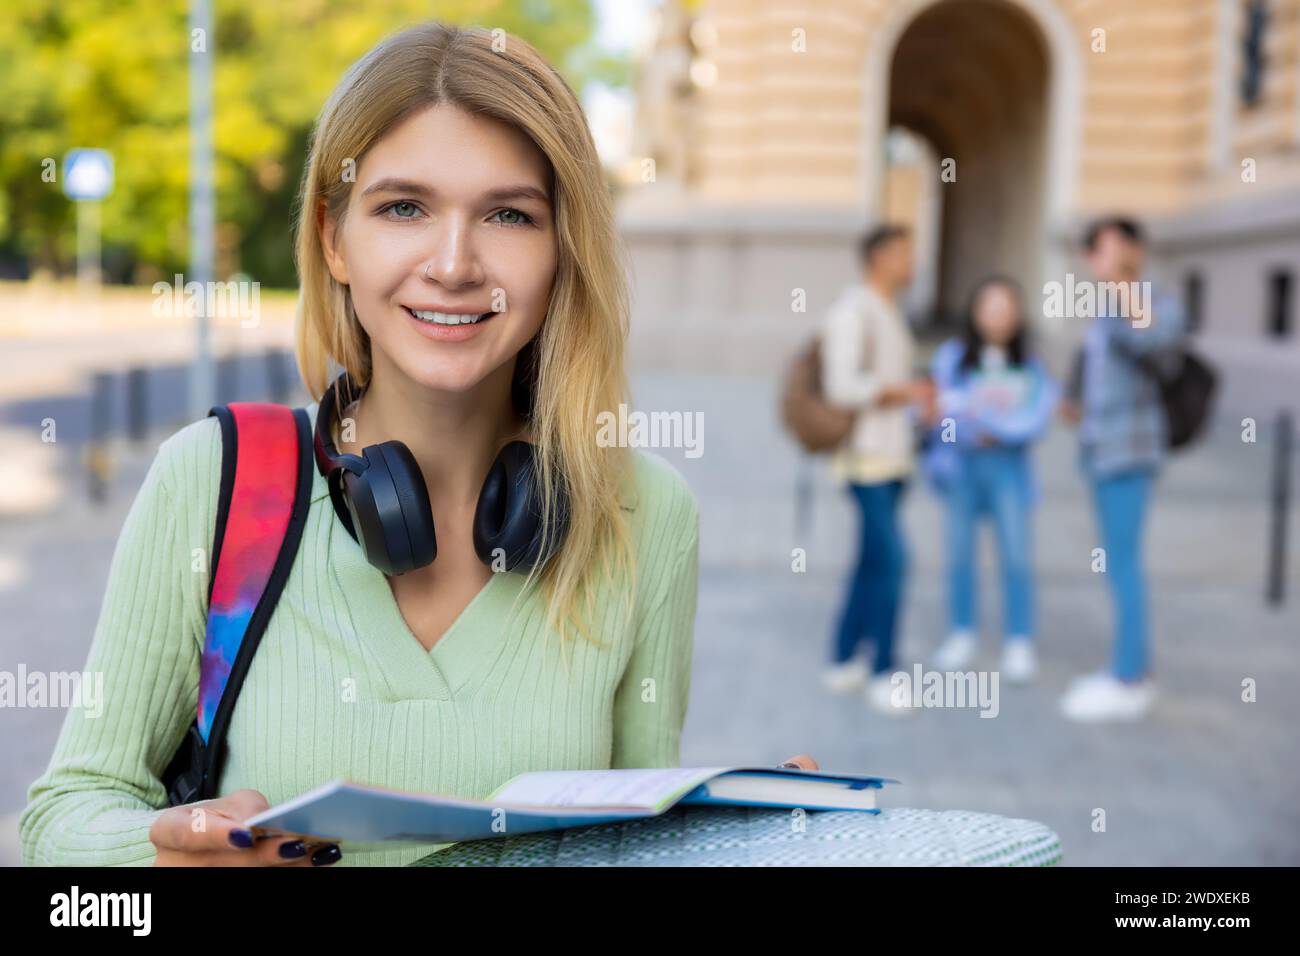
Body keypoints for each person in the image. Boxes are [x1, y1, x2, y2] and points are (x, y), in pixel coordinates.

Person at [19, 22, 822, 868]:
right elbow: (65, 819)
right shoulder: (212, 482)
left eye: (509, 214)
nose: (453, 264)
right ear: (334, 237)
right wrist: (168, 857)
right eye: (404, 207)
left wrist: (751, 837)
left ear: (562, 250)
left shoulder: (646, 515)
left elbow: (633, 851)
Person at [1058, 216, 1186, 722]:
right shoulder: (1106, 304)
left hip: (1131, 450)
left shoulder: (1155, 298)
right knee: (1116, 562)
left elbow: (1152, 343)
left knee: (1125, 564)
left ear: (1136, 251)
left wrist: (1124, 283)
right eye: (1096, 252)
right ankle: (1132, 669)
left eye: (1113, 250)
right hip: (1101, 448)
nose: (1103, 261)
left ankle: (1130, 677)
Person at [819, 225, 935, 717]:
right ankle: (885, 669)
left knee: (870, 561)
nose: (912, 262)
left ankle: (844, 657)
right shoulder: (854, 309)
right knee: (893, 561)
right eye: (904, 254)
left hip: (893, 458)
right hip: (864, 459)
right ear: (880, 258)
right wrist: (907, 391)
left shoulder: (890, 310)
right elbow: (841, 386)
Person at [925, 277, 1059, 683]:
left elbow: (1035, 419)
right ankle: (961, 631)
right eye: (990, 307)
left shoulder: (1031, 364)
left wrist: (983, 421)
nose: (998, 316)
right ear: (975, 311)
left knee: (1016, 556)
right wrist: (974, 422)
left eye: (1006, 308)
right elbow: (937, 414)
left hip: (1009, 472)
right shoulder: (952, 358)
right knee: (959, 553)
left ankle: (1019, 639)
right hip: (962, 469)